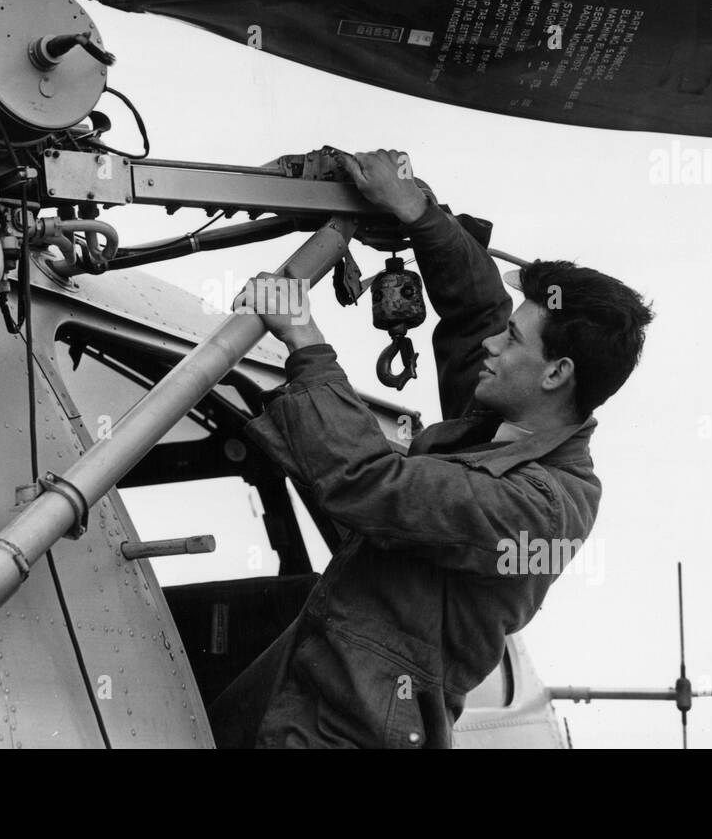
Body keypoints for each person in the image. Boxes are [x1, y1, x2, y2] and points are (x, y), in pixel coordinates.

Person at [210, 149, 654, 748]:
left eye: (514, 339)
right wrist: (418, 214)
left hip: (350, 733)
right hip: (313, 692)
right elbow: (477, 312)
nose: (494, 344)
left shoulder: (541, 510)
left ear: (555, 375)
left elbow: (372, 486)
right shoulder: (513, 417)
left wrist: (306, 343)